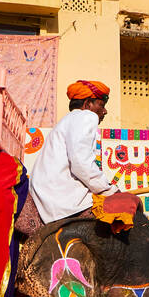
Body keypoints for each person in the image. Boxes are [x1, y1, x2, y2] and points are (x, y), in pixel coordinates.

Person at [28, 79, 118, 224]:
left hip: (49, 195)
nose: (105, 111)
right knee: (124, 209)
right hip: (61, 200)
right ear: (88, 104)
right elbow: (81, 162)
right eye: (101, 105)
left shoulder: (68, 120)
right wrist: (108, 190)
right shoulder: (86, 116)